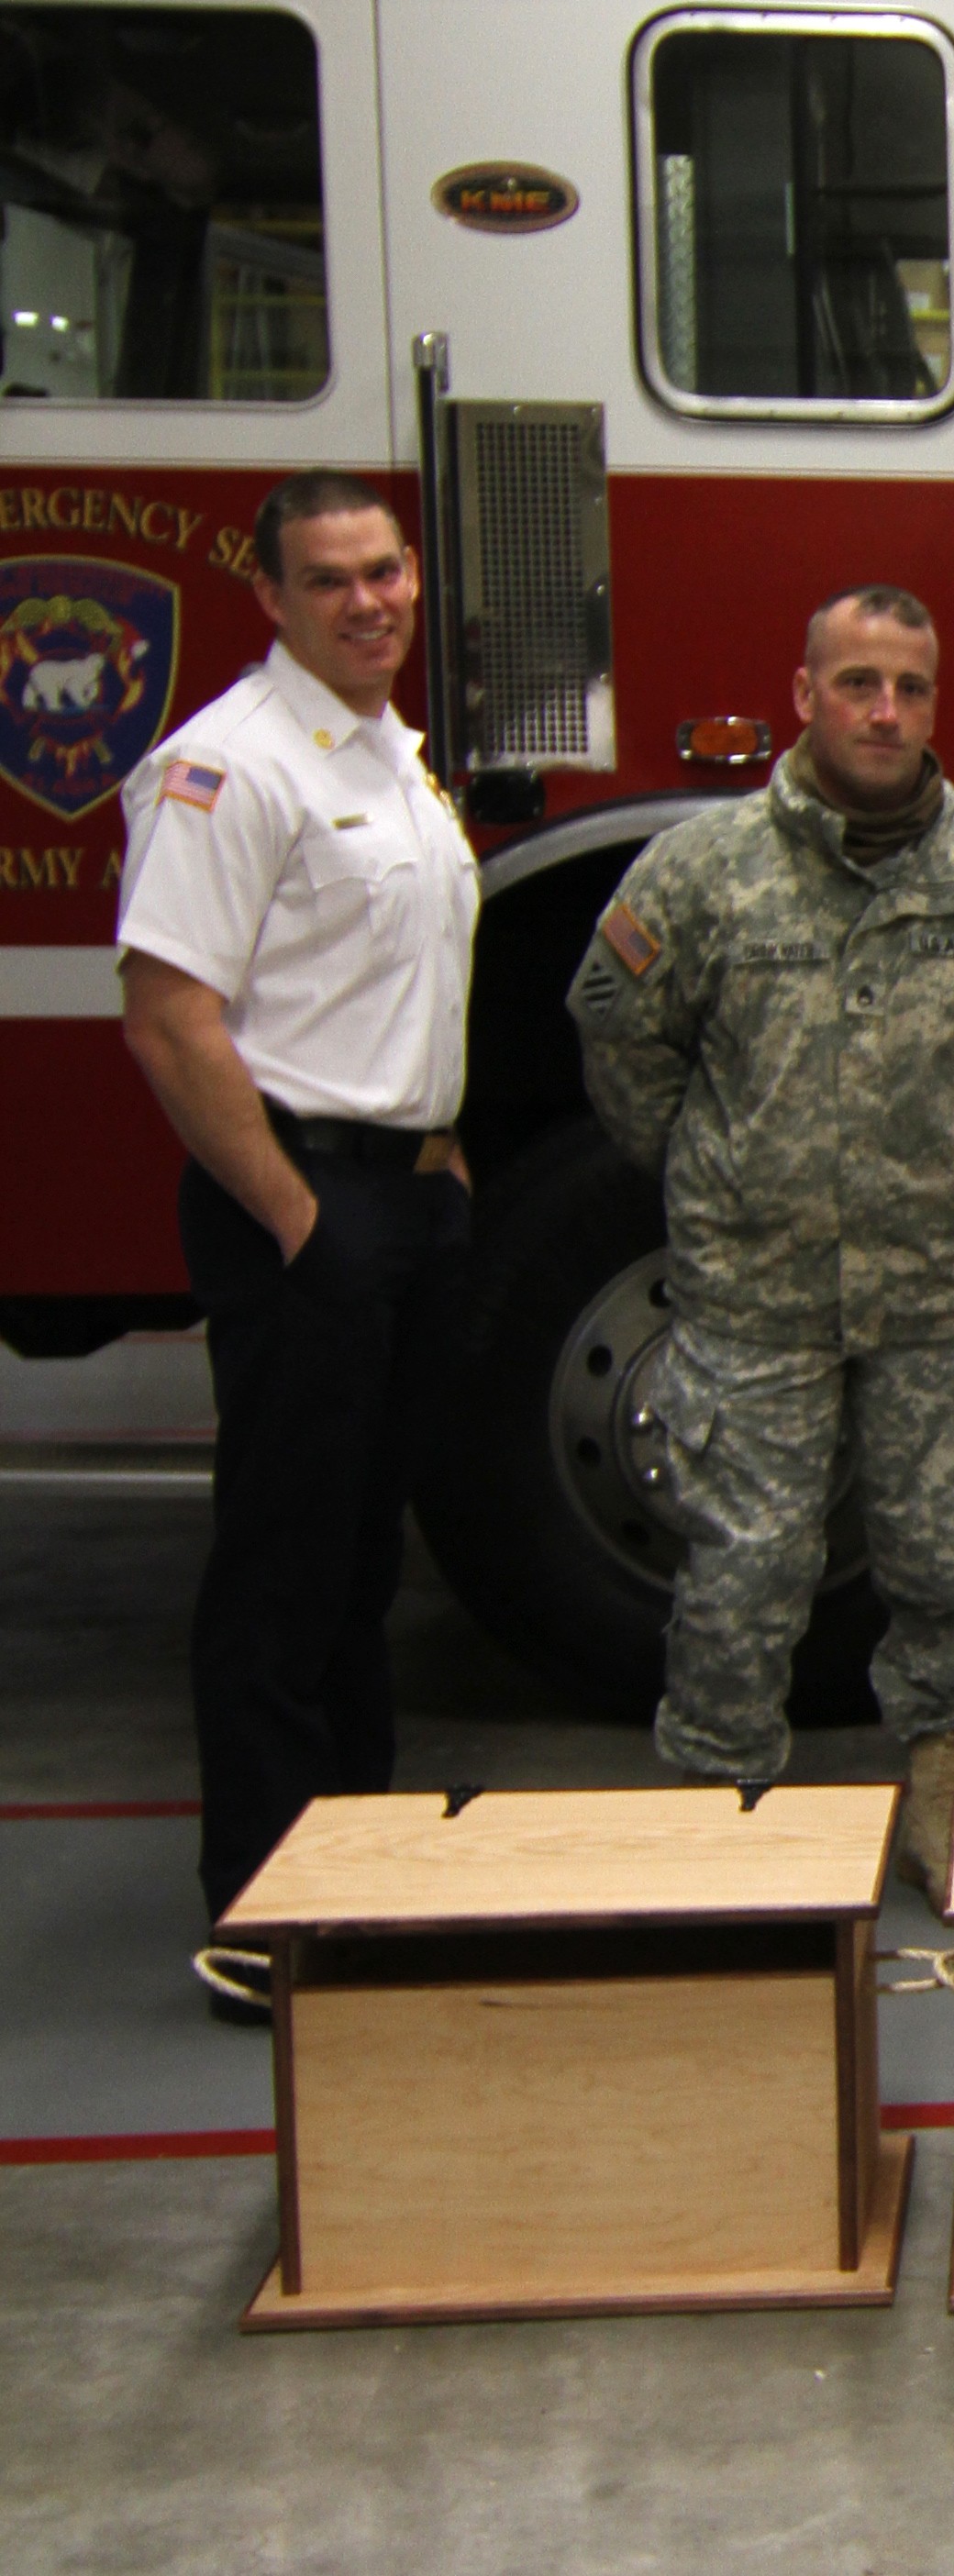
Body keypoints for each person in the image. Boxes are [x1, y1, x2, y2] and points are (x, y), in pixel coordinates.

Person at [570, 584, 954, 1902]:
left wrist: (938, 1182)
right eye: (858, 682)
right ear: (803, 695)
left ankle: (941, 1790)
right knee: (742, 1574)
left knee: (947, 1558)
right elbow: (627, 1050)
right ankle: (721, 1816)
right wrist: (725, 1174)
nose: (885, 711)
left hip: (941, 1294)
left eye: (910, 688)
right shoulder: (701, 875)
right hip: (757, 1293)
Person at [116, 472, 479, 2008]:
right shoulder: (227, 764)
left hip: (400, 1194)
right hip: (302, 1201)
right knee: (279, 1564)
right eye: (329, 580)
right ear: (270, 597)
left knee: (359, 1557)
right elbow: (168, 1014)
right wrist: (298, 1215)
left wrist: (443, 1165)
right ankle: (260, 1914)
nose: (369, 600)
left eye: (385, 570)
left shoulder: (394, 752)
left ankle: (360, 1867)